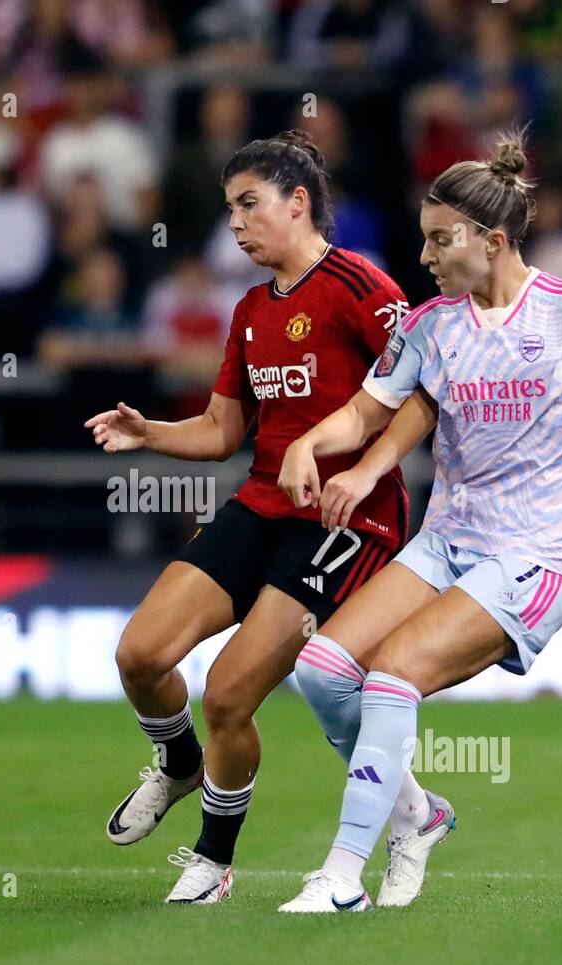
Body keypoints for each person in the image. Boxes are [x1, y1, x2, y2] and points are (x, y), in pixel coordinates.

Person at [277, 130, 562, 912]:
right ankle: (417, 813)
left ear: (491, 240)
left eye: (438, 239)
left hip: (541, 553)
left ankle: (342, 876)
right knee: (320, 670)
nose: (425, 256)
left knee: (393, 675)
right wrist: (321, 447)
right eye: (422, 239)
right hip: (451, 543)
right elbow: (365, 412)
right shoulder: (432, 326)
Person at [85, 130, 424, 904]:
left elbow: (415, 391)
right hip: (262, 500)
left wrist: (367, 469)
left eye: (249, 204)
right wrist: (150, 434)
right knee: (140, 654)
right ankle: (177, 765)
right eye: (228, 208)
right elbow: (222, 432)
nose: (235, 224)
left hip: (346, 521)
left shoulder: (361, 287)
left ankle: (212, 862)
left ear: (298, 202)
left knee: (230, 693)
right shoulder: (247, 310)